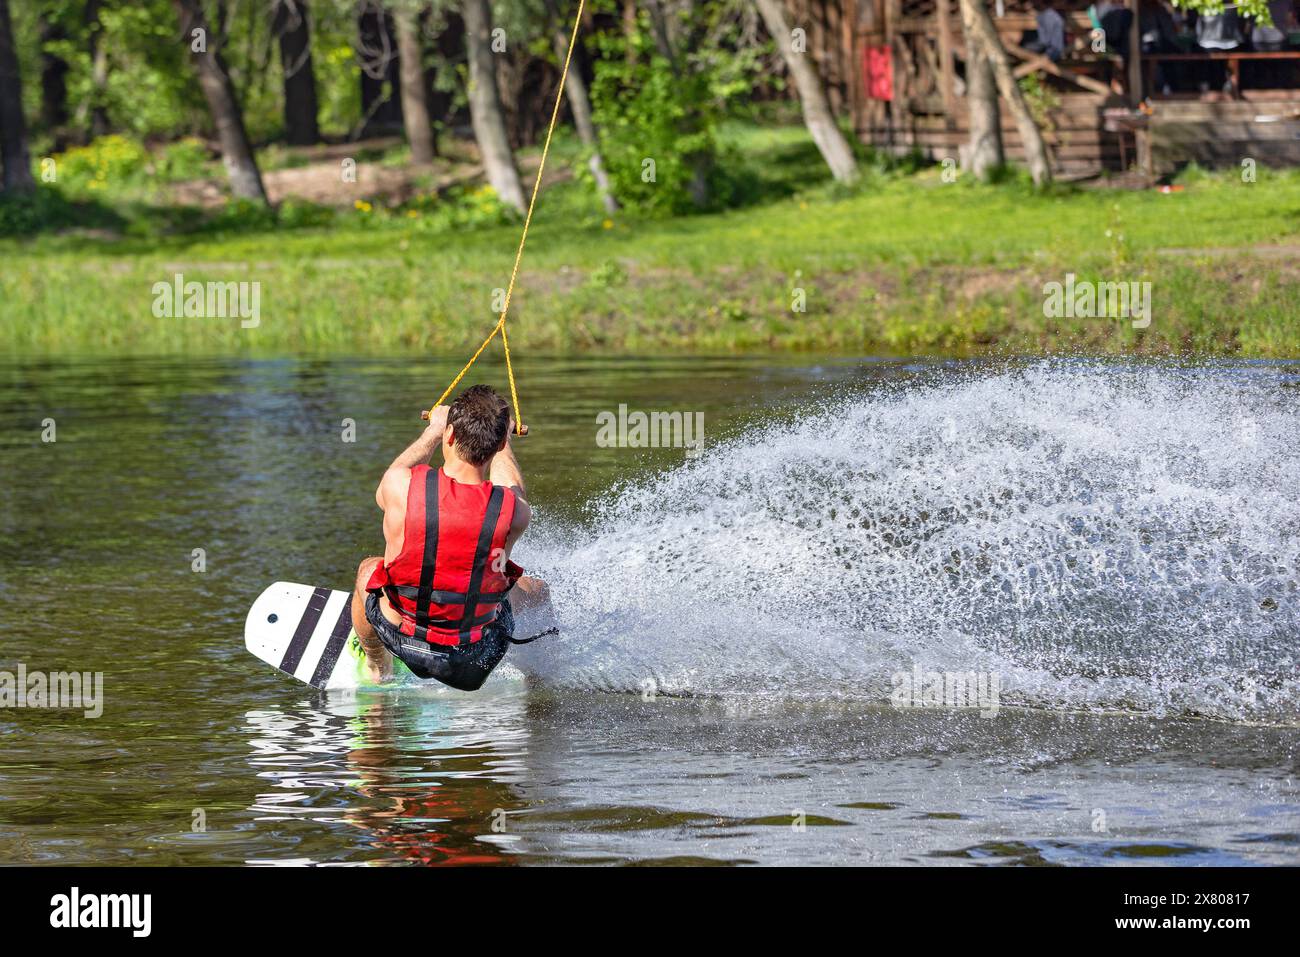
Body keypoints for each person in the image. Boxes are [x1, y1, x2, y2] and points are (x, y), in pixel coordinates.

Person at [350, 384, 553, 689]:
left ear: (449, 435)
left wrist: (432, 430)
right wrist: (505, 439)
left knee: (369, 570)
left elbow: (396, 473)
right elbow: (512, 487)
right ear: (497, 447)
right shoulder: (515, 513)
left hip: (404, 639)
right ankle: (539, 682)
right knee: (536, 591)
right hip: (475, 660)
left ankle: (378, 667)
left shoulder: (399, 488)